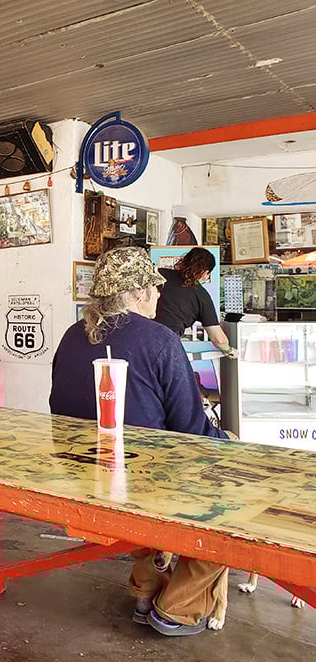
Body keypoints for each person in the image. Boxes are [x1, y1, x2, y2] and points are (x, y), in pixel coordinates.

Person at [49, 246, 228, 637]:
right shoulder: (160, 339)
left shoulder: (70, 336)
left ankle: (147, 586)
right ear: (138, 294)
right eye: (154, 287)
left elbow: (56, 409)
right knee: (229, 503)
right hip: (142, 486)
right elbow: (192, 431)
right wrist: (228, 441)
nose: (160, 295)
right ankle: (177, 608)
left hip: (79, 477)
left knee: (142, 467)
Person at [154, 247, 236, 356]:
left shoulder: (159, 274)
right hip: (166, 344)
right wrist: (229, 350)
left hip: (139, 333)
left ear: (184, 260)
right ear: (205, 273)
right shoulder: (202, 296)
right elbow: (219, 340)